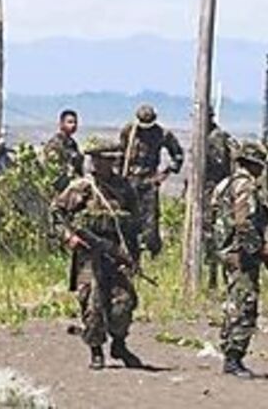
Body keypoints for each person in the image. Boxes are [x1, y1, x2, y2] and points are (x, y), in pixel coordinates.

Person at [51, 141, 143, 370]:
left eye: (111, 160)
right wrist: (68, 237)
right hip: (89, 256)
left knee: (124, 302)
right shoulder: (82, 187)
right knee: (92, 304)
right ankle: (96, 350)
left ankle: (119, 345)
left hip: (115, 253)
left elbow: (133, 223)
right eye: (104, 159)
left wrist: (133, 256)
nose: (108, 164)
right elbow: (56, 212)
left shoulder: (123, 188)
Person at [212, 141, 268, 378]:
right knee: (244, 304)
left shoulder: (224, 184)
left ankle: (231, 352)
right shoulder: (245, 186)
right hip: (241, 253)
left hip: (227, 250)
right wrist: (258, 249)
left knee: (233, 302)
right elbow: (243, 221)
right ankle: (233, 356)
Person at [118, 104, 184, 257]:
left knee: (150, 224)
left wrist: (165, 173)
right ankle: (130, 255)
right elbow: (120, 154)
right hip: (129, 182)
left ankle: (152, 255)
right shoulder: (128, 131)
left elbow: (178, 155)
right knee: (128, 222)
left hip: (149, 182)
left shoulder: (162, 133)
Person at [203, 109, 234, 289]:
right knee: (207, 235)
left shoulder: (216, 137)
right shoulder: (204, 135)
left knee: (216, 234)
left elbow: (220, 163)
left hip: (216, 190)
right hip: (206, 190)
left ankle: (216, 277)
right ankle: (211, 275)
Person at [43, 109, 84, 193]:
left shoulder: (72, 143)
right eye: (70, 122)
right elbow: (52, 167)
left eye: (75, 122)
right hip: (59, 185)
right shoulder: (55, 143)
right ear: (61, 124)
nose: (73, 125)